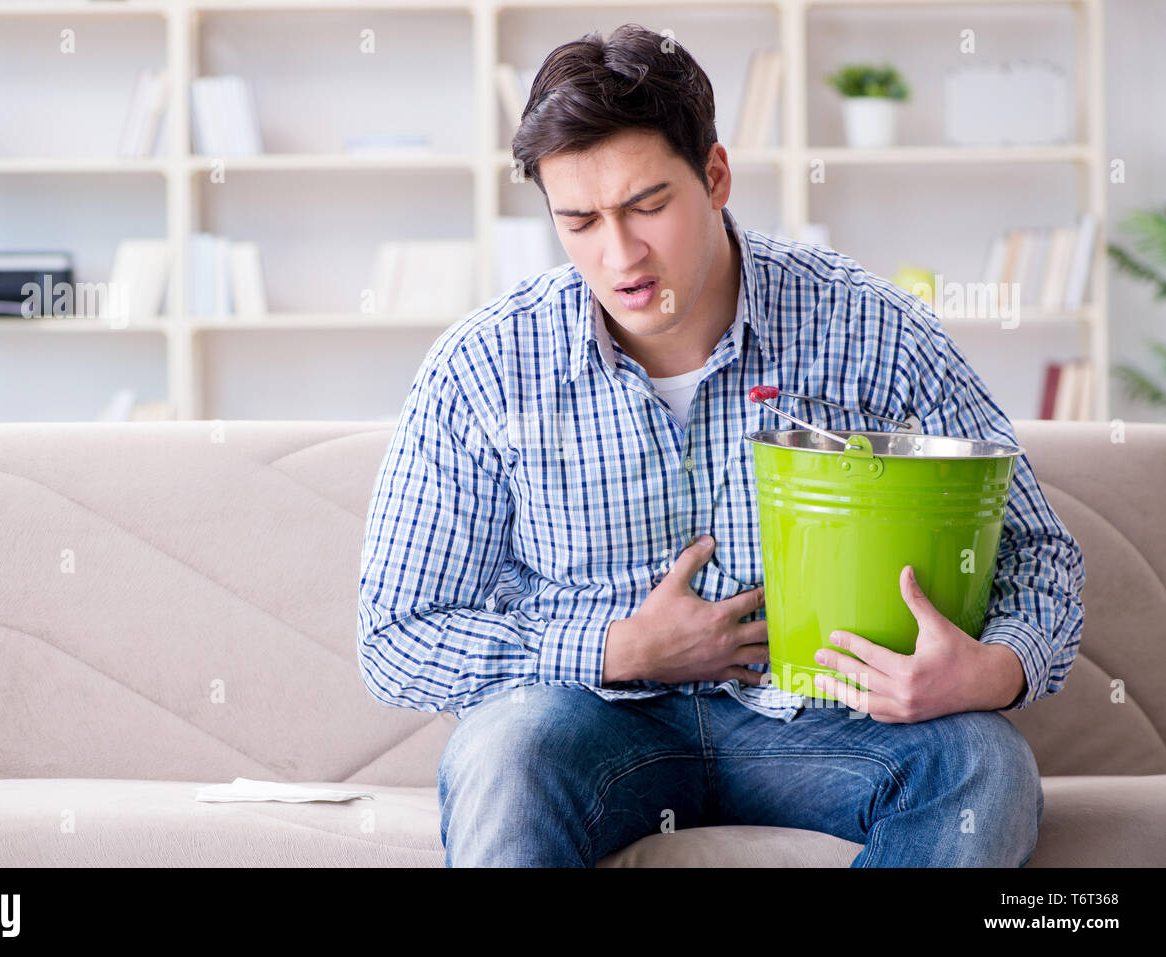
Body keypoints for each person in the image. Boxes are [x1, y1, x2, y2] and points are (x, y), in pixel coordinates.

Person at [356, 23, 1084, 867]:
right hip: (584, 720)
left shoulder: (872, 328)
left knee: (982, 766)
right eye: (580, 220)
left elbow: (1039, 553)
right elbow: (396, 635)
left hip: (828, 721)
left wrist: (992, 671)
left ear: (716, 176)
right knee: (504, 754)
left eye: (647, 206)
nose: (619, 253)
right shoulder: (484, 366)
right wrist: (620, 648)